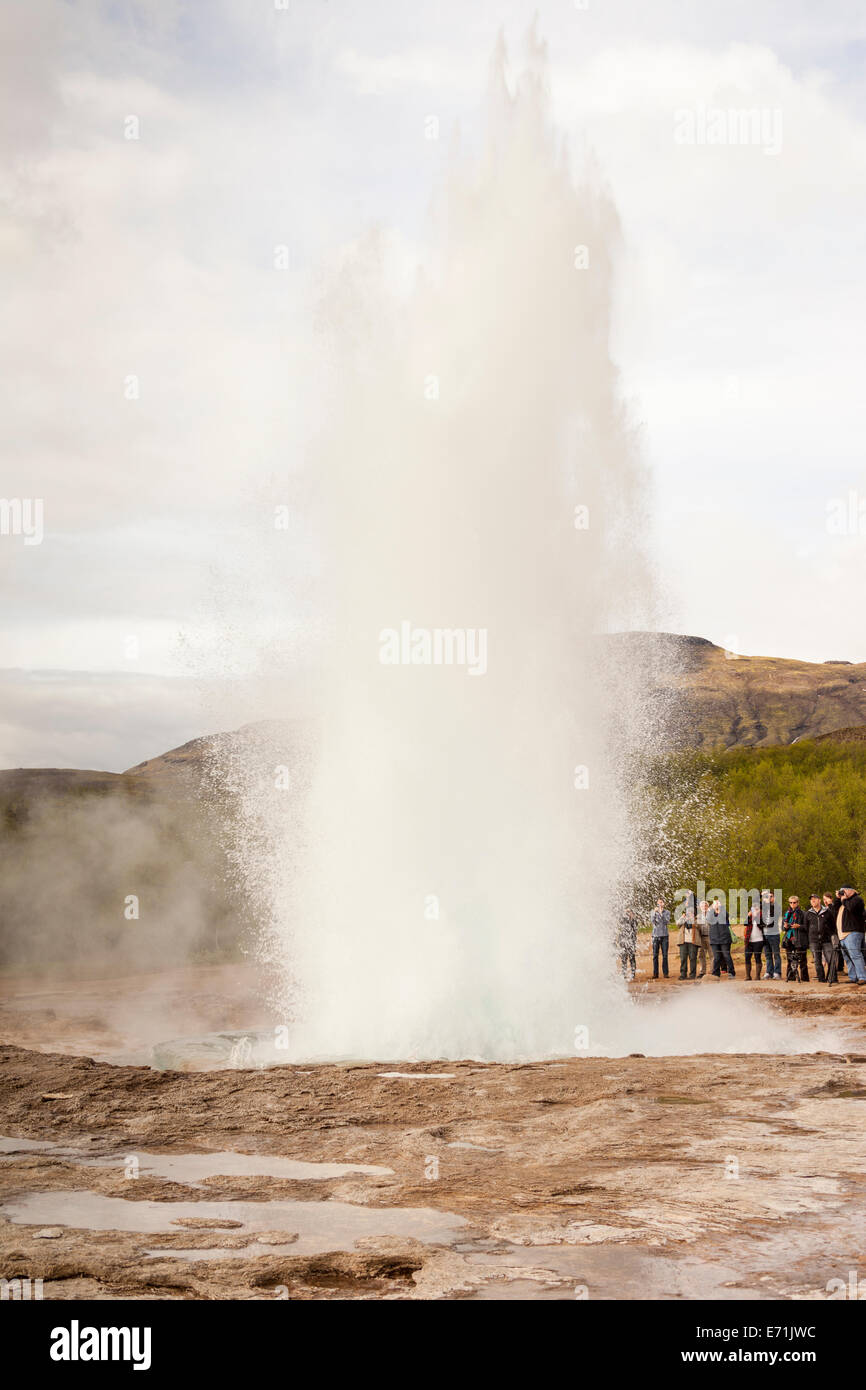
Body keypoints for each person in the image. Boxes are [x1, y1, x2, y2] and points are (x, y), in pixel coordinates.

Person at [833, 886, 866, 985]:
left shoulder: (857, 899)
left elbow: (851, 908)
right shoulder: (843, 901)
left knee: (855, 955)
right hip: (842, 934)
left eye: (845, 890)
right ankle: (853, 977)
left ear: (851, 891)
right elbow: (834, 909)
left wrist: (843, 899)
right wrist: (838, 898)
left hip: (853, 932)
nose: (843, 892)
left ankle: (862, 977)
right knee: (847, 957)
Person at [782, 896, 810, 982]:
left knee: (802, 960)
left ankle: (804, 978)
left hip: (800, 939)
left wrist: (799, 926)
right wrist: (785, 926)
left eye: (794, 902)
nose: (792, 904)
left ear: (798, 903)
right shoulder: (787, 913)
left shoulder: (803, 913)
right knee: (790, 959)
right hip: (789, 939)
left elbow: (807, 927)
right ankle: (791, 977)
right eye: (791, 903)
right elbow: (783, 928)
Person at [708, 896, 735, 978]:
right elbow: (708, 919)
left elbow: (725, 916)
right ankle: (716, 974)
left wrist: (720, 908)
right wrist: (713, 909)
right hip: (714, 939)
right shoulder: (710, 914)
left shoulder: (724, 912)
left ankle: (731, 973)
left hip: (725, 938)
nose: (716, 905)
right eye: (715, 904)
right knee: (716, 957)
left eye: (718, 903)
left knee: (726, 955)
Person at [761, 889, 782, 980]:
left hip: (774, 934)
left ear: (774, 898)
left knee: (776, 954)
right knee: (767, 955)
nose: (769, 898)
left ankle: (777, 972)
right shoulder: (764, 906)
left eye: (771, 896)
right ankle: (769, 972)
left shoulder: (776, 906)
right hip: (765, 934)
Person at [804, 894, 826, 983]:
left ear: (819, 900)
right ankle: (821, 979)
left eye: (814, 899)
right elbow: (806, 927)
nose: (813, 901)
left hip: (826, 939)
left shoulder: (826, 911)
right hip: (813, 940)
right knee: (817, 960)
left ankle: (833, 978)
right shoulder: (808, 913)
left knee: (830, 958)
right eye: (811, 899)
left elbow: (832, 925)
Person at [676, 900, 699, 980]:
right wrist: (683, 917)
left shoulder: (696, 919)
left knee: (693, 958)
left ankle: (692, 974)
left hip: (693, 941)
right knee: (683, 958)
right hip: (683, 941)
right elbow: (678, 924)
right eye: (688, 912)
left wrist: (692, 919)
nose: (689, 913)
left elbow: (698, 926)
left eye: (691, 912)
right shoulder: (683, 919)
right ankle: (683, 974)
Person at [821, 892, 841, 984]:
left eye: (826, 899)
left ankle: (835, 973)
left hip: (834, 934)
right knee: (825, 956)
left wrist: (829, 905)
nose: (825, 901)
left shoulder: (833, 907)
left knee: (834, 953)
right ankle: (827, 974)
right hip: (826, 935)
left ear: (830, 899)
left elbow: (834, 916)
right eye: (823, 899)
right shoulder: (824, 909)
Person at [650, 897, 671, 979]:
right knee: (655, 955)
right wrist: (655, 913)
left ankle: (665, 973)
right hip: (655, 936)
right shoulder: (653, 912)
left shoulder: (667, 912)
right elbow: (652, 921)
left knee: (665, 955)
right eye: (658, 902)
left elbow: (667, 922)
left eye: (661, 902)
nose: (660, 904)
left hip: (664, 936)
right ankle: (655, 974)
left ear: (663, 903)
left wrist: (661, 914)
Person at [743, 901, 764, 980]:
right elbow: (745, 924)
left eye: (757, 909)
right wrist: (749, 916)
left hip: (759, 940)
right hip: (749, 940)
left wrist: (756, 916)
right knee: (747, 957)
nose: (755, 910)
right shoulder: (750, 916)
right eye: (753, 908)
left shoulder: (762, 916)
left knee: (757, 957)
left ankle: (757, 976)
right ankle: (748, 976)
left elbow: (762, 925)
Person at [617, 909, 638, 981]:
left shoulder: (633, 920)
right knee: (623, 959)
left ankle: (633, 973)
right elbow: (620, 919)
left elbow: (635, 929)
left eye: (629, 912)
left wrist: (632, 917)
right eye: (627, 912)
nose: (628, 913)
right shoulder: (623, 919)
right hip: (623, 941)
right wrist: (624, 912)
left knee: (632, 958)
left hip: (631, 941)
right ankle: (624, 973)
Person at [696, 898, 710, 978]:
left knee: (712, 955)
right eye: (702, 906)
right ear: (700, 908)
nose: (704, 907)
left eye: (705, 906)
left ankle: (713, 971)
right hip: (701, 938)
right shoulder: (698, 916)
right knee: (701, 955)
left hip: (710, 936)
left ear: (707, 907)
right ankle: (702, 972)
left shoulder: (711, 915)